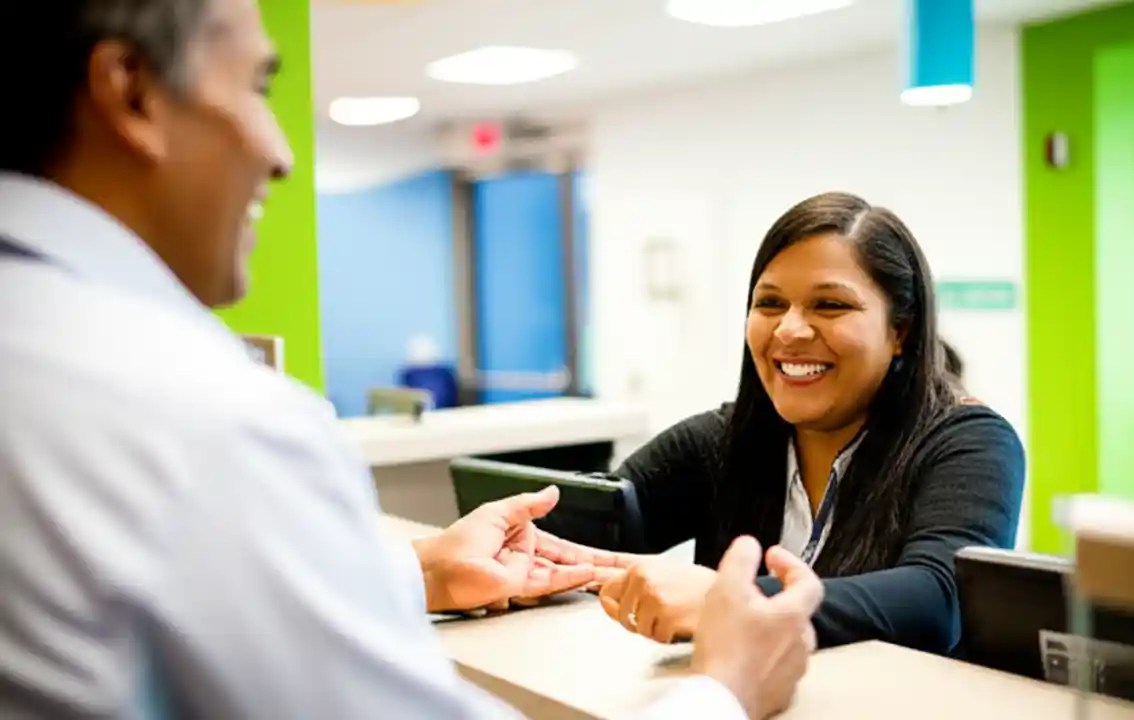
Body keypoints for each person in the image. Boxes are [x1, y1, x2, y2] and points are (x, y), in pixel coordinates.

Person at [0, 2, 822, 718]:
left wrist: (419, 571)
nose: (280, 152)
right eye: (255, 87)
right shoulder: (202, 417)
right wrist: (725, 689)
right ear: (131, 90)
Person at [595, 192, 1026, 653]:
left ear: (900, 331)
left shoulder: (970, 443)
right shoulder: (722, 442)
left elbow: (938, 599)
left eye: (830, 305)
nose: (789, 330)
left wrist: (733, 603)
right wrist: (516, 541)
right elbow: (600, 516)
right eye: (770, 304)